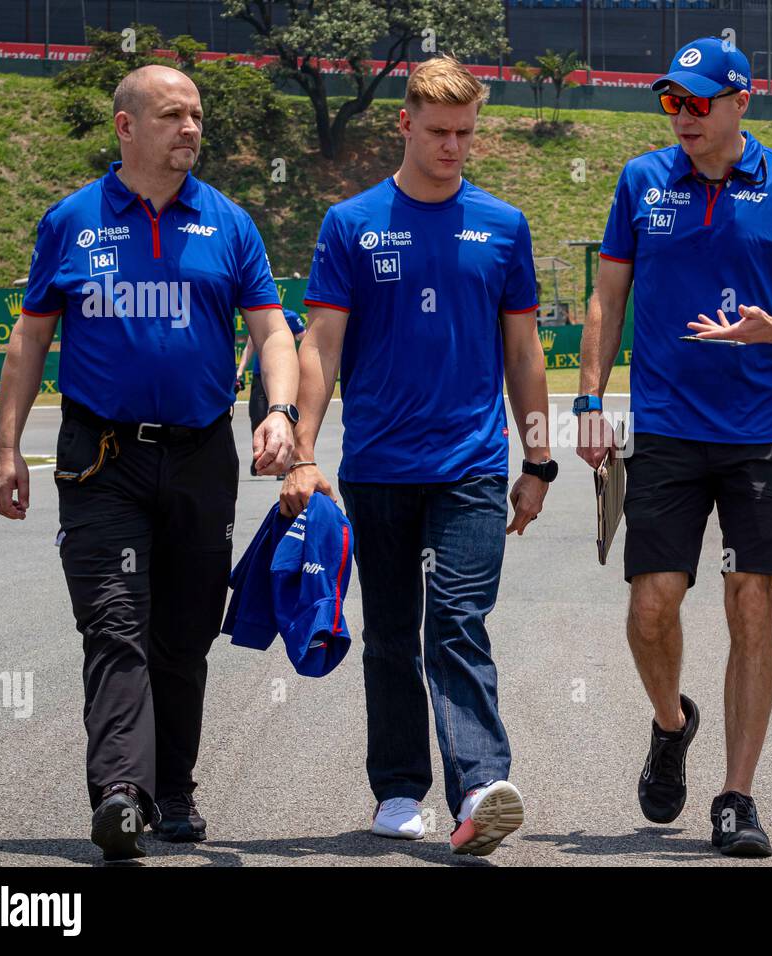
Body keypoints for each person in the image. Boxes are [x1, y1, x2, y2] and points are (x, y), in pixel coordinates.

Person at [0, 64, 298, 861]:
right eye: (172, 115)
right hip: (102, 459)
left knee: (185, 633)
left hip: (200, 454)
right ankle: (121, 793)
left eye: (196, 115)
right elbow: (29, 340)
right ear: (126, 127)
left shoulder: (228, 222)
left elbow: (271, 332)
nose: (191, 128)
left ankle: (174, 791)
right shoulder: (71, 221)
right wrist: (6, 449)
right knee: (115, 624)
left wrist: (281, 413)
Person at [576, 37, 772, 857]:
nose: (684, 118)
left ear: (740, 103)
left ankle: (736, 796)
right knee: (651, 604)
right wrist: (591, 400)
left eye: (699, 103)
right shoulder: (640, 182)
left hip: (759, 435)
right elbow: (606, 299)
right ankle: (672, 722)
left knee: (751, 602)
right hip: (663, 427)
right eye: (673, 103)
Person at [280, 55, 551, 857]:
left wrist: (538, 463)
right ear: (405, 123)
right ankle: (399, 788)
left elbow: (525, 353)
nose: (453, 147)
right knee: (393, 635)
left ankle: (479, 787)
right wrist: (303, 451)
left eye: (466, 133)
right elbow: (320, 346)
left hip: (471, 465)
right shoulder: (351, 223)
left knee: (457, 623)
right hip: (375, 467)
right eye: (438, 132)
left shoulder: (503, 226)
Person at [237, 307, 307, 475]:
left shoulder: (290, 317)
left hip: (283, 374)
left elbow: (304, 338)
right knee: (258, 416)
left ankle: (284, 461)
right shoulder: (257, 317)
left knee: (284, 418)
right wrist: (239, 372)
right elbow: (249, 347)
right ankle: (260, 457)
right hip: (260, 376)